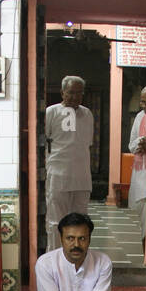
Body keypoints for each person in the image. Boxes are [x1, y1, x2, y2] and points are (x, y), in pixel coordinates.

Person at [45, 75, 93, 251]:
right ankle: (55, 259)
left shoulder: (87, 113)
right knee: (55, 220)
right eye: (71, 92)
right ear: (62, 92)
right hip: (58, 174)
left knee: (80, 220)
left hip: (81, 176)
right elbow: (45, 141)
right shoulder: (51, 112)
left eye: (79, 93)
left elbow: (87, 143)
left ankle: (77, 257)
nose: (75, 97)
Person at [128, 85, 146, 230]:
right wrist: (140, 143)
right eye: (142, 102)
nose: (143, 105)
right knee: (142, 226)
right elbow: (131, 145)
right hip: (140, 174)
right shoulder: (140, 116)